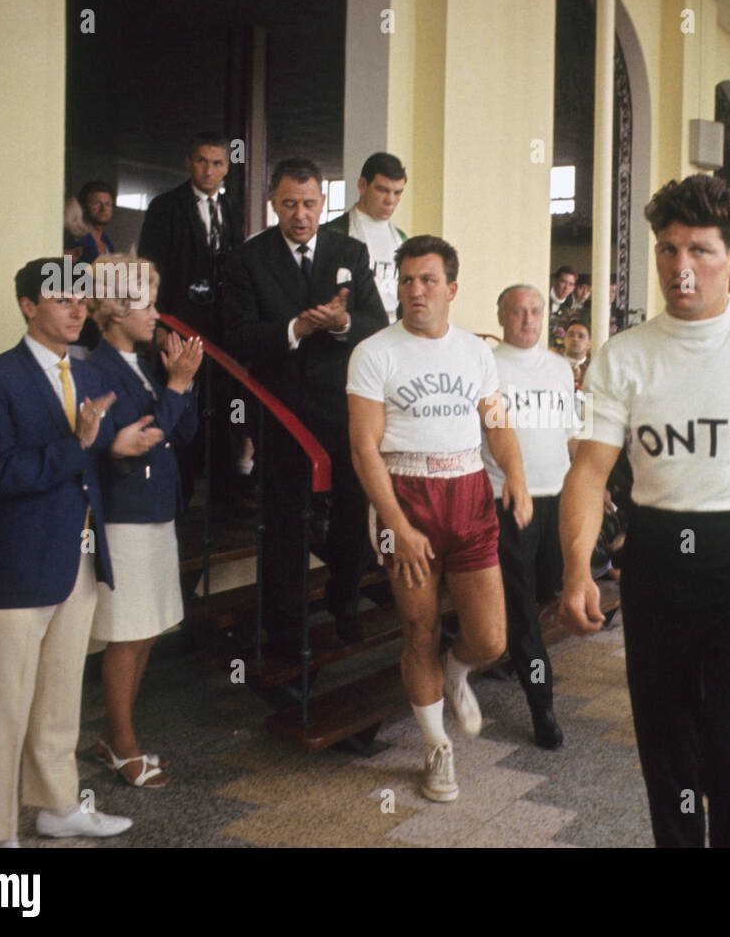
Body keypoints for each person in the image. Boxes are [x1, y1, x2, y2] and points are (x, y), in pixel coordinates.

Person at [559, 174, 730, 847]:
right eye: (668, 250)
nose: (682, 269)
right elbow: (590, 472)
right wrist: (576, 569)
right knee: (669, 753)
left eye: (701, 252)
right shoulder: (624, 357)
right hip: (659, 560)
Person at [0, 258, 150, 844]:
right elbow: (0, 474)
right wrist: (83, 445)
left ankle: (57, 805)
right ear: (28, 306)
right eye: (62, 298)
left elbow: (90, 457)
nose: (77, 309)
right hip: (21, 563)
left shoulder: (91, 375)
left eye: (81, 298)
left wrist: (113, 446)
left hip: (82, 556)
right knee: (9, 707)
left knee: (62, 695)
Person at [348, 235, 532, 802]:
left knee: (491, 638)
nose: (414, 290)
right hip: (405, 497)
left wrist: (517, 477)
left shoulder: (476, 352)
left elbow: (496, 423)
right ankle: (436, 748)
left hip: (469, 495)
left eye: (427, 280)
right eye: (405, 280)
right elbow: (363, 448)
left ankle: (458, 672)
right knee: (419, 629)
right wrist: (398, 527)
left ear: (451, 289)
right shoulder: (374, 351)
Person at [223, 157, 388, 657]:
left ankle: (343, 602)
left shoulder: (349, 252)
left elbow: (376, 323)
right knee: (286, 525)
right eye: (290, 204)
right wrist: (297, 328)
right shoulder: (248, 260)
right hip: (283, 414)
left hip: (343, 409)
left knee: (353, 513)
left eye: (310, 204)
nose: (301, 214)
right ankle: (286, 633)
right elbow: (238, 335)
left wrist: (339, 324)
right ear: (273, 203)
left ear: (324, 203)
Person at [85, 256, 202, 787]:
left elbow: (184, 431)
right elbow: (139, 441)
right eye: (146, 303)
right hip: (125, 515)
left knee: (148, 629)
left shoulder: (144, 363)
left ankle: (117, 734)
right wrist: (176, 388)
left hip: (156, 510)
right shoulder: (96, 367)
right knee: (127, 634)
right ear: (112, 311)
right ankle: (123, 742)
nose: (157, 313)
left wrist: (181, 383)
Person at [482, 284, 580, 749]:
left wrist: (590, 488)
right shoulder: (487, 366)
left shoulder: (561, 368)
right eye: (517, 312)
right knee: (524, 611)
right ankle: (542, 708)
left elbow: (572, 433)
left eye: (535, 311)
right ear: (501, 316)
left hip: (557, 499)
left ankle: (501, 646)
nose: (527, 319)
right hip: (509, 502)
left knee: (547, 592)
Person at [138, 133, 247, 512]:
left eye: (217, 163)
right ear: (188, 163)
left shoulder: (232, 208)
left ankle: (224, 496)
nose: (209, 170)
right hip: (180, 323)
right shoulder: (165, 207)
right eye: (202, 161)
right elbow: (150, 268)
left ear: (226, 167)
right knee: (179, 403)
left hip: (222, 329)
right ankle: (178, 495)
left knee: (222, 407)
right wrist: (160, 323)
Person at [323, 151, 409, 324]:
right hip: (350, 329)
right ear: (363, 185)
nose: (390, 200)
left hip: (393, 331)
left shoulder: (401, 239)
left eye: (397, 192)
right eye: (383, 190)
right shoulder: (333, 233)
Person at [71, 181, 116, 266]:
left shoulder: (108, 244)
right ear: (84, 207)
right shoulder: (75, 240)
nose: (103, 208)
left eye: (107, 204)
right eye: (97, 203)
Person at [561, 320, 592, 387]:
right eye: (571, 335)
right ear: (564, 340)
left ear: (589, 344)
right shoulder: (552, 365)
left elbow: (593, 397)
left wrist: (585, 386)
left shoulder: (594, 369)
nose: (575, 339)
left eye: (581, 336)